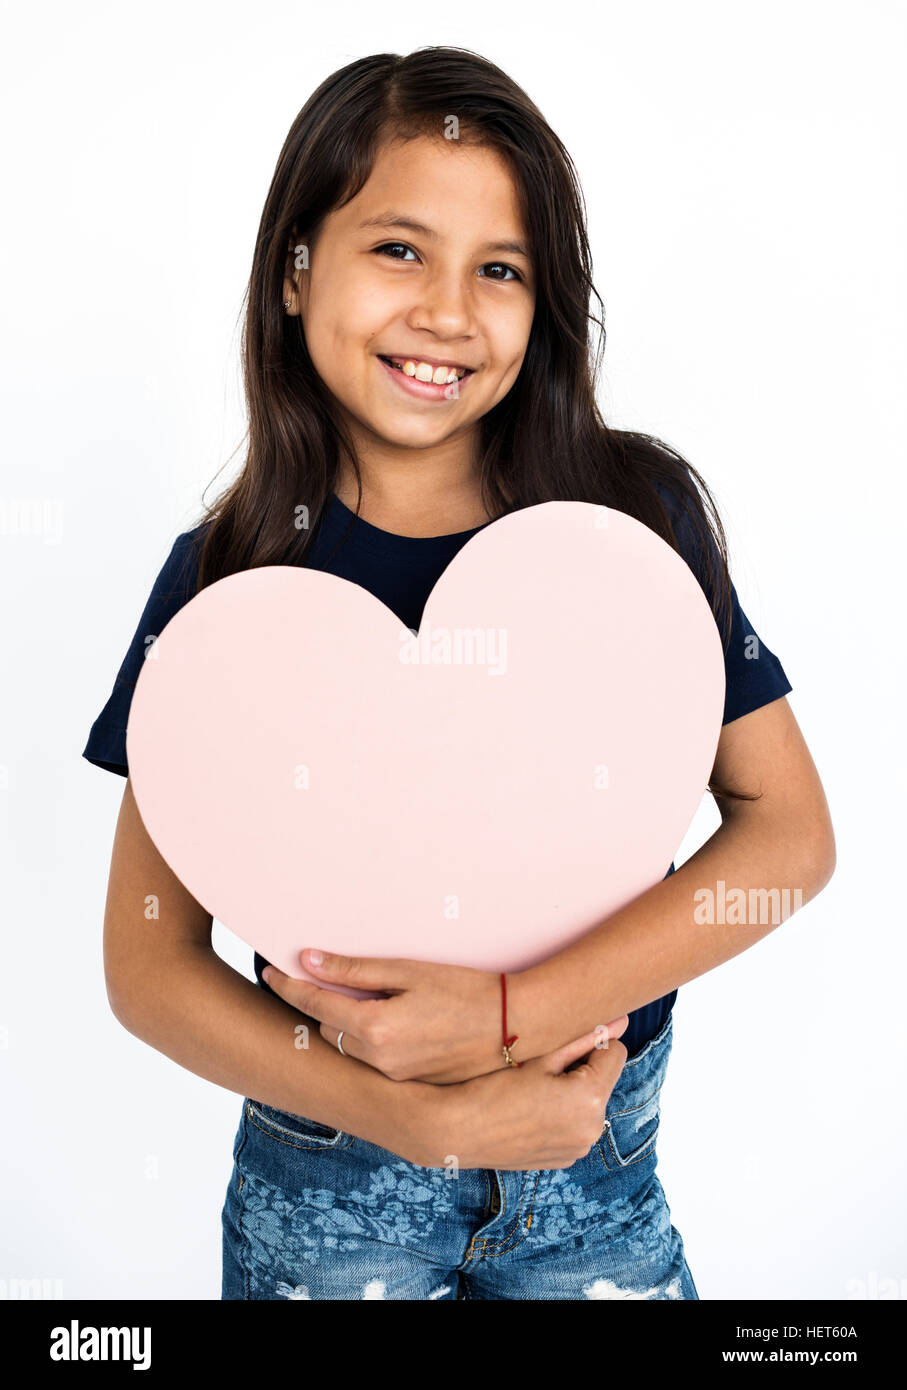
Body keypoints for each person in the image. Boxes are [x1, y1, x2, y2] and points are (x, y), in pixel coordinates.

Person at [82, 47, 835, 1301]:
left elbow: (789, 846)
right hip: (329, 1188)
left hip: (595, 1169)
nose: (446, 309)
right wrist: (406, 1114)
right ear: (293, 270)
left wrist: (508, 1016)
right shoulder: (227, 579)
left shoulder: (631, 528)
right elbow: (147, 964)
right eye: (397, 249)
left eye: (500, 268)